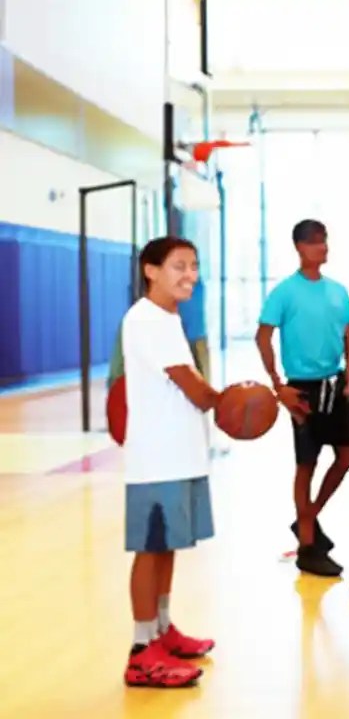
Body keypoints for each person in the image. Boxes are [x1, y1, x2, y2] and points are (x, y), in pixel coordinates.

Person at [121, 236, 222, 688]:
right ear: (150, 270)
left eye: (194, 266)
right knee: (151, 548)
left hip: (180, 454)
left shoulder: (168, 318)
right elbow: (194, 388)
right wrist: (244, 401)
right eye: (179, 266)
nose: (190, 275)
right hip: (157, 458)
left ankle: (163, 629)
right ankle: (143, 650)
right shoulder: (146, 320)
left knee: (167, 546)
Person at [256, 219, 349, 578]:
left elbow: (348, 335)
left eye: (325, 240)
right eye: (315, 242)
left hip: (335, 384)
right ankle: (308, 547)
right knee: (307, 465)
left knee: (347, 456)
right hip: (302, 388)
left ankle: (308, 518)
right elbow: (262, 337)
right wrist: (277, 385)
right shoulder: (284, 292)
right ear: (299, 247)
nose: (322, 247)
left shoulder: (339, 291)